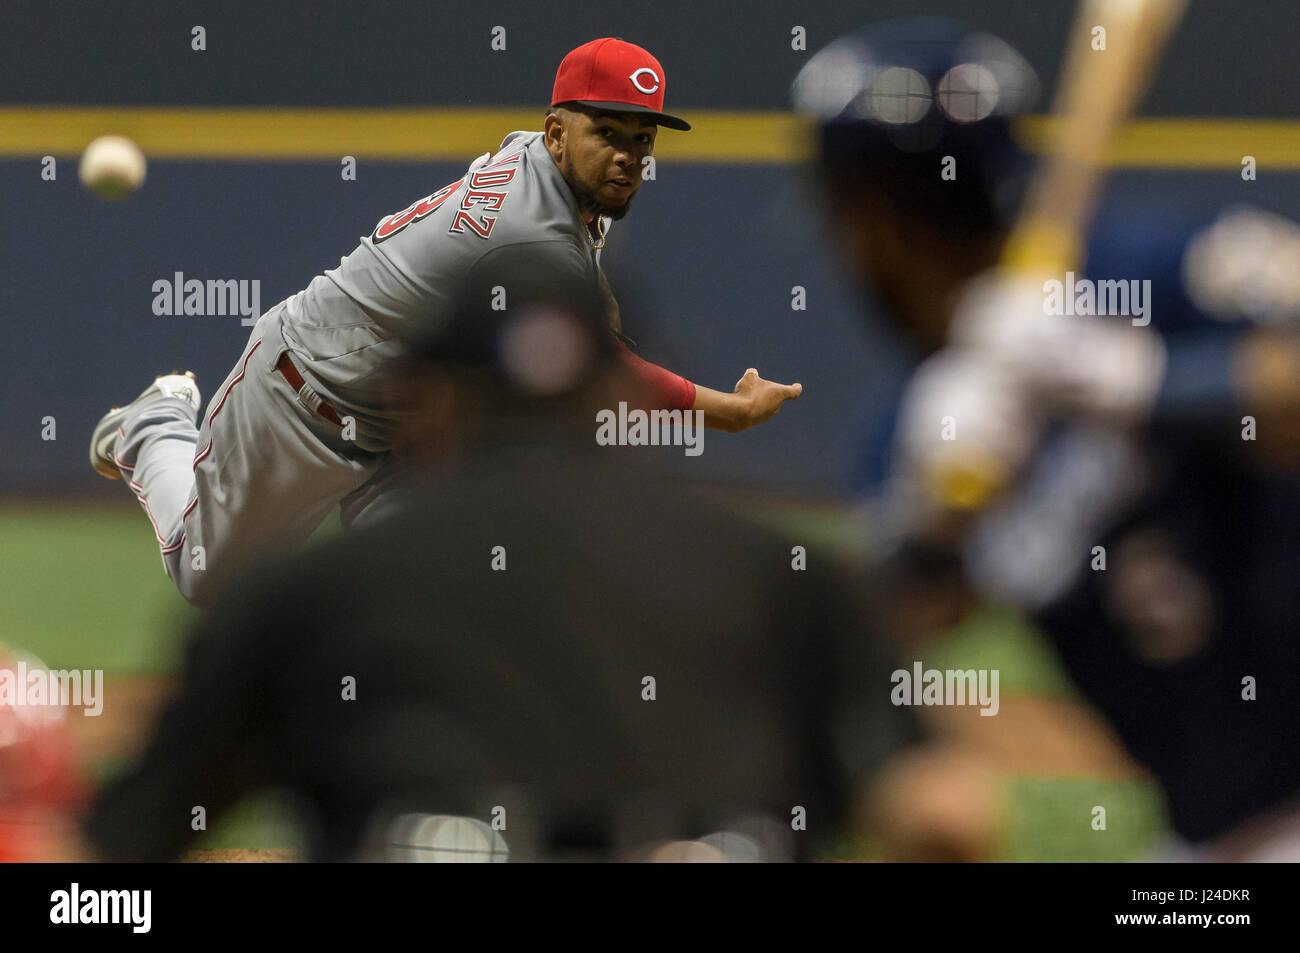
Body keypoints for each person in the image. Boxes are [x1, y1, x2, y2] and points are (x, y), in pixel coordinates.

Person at [83, 244, 886, 862]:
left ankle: (156, 431)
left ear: (421, 405)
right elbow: (944, 817)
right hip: (300, 405)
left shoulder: (302, 600)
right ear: (624, 406)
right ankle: (157, 430)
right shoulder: (785, 579)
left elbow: (92, 885)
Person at [793, 17, 1300, 859]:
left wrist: (1138, 380)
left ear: (869, 220)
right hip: (1215, 843)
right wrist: (930, 531)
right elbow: (889, 635)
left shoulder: (1152, 273)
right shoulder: (921, 421)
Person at [89, 37, 802, 606]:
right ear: (558, 132)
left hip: (407, 425)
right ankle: (153, 427)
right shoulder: (527, 230)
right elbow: (602, 365)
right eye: (607, 132)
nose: (628, 155)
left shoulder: (542, 159)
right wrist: (728, 411)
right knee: (204, 578)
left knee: (445, 598)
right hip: (304, 397)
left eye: (643, 139)